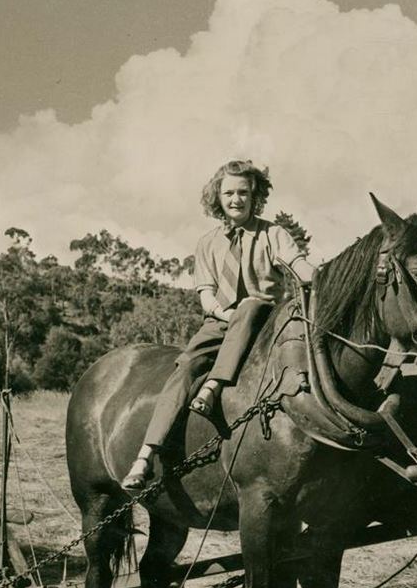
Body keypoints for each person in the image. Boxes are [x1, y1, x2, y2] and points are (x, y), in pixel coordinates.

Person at [123, 159, 316, 491]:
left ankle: (213, 386)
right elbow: (207, 297)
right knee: (182, 372)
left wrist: (326, 279)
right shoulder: (207, 243)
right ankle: (144, 455)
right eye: (229, 193)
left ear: (255, 196)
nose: (236, 199)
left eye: (243, 192)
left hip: (263, 324)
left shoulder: (273, 234)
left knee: (251, 304)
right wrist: (228, 316)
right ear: (218, 196)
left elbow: (300, 267)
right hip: (219, 323)